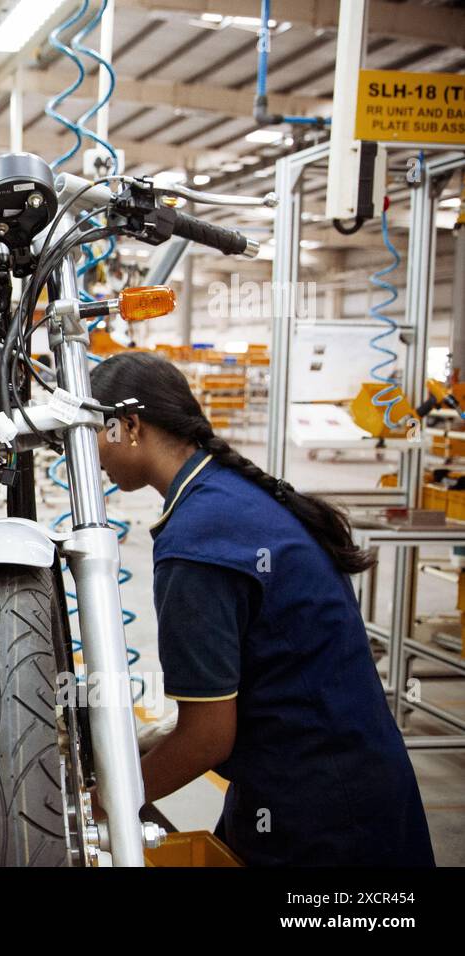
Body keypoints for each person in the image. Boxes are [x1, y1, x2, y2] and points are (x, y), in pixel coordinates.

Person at [90, 350, 434, 867]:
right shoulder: (229, 495)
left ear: (130, 426)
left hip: (319, 819)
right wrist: (153, 739)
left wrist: (103, 802)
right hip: (334, 777)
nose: (91, 456)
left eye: (92, 434)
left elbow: (208, 737)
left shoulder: (195, 542)